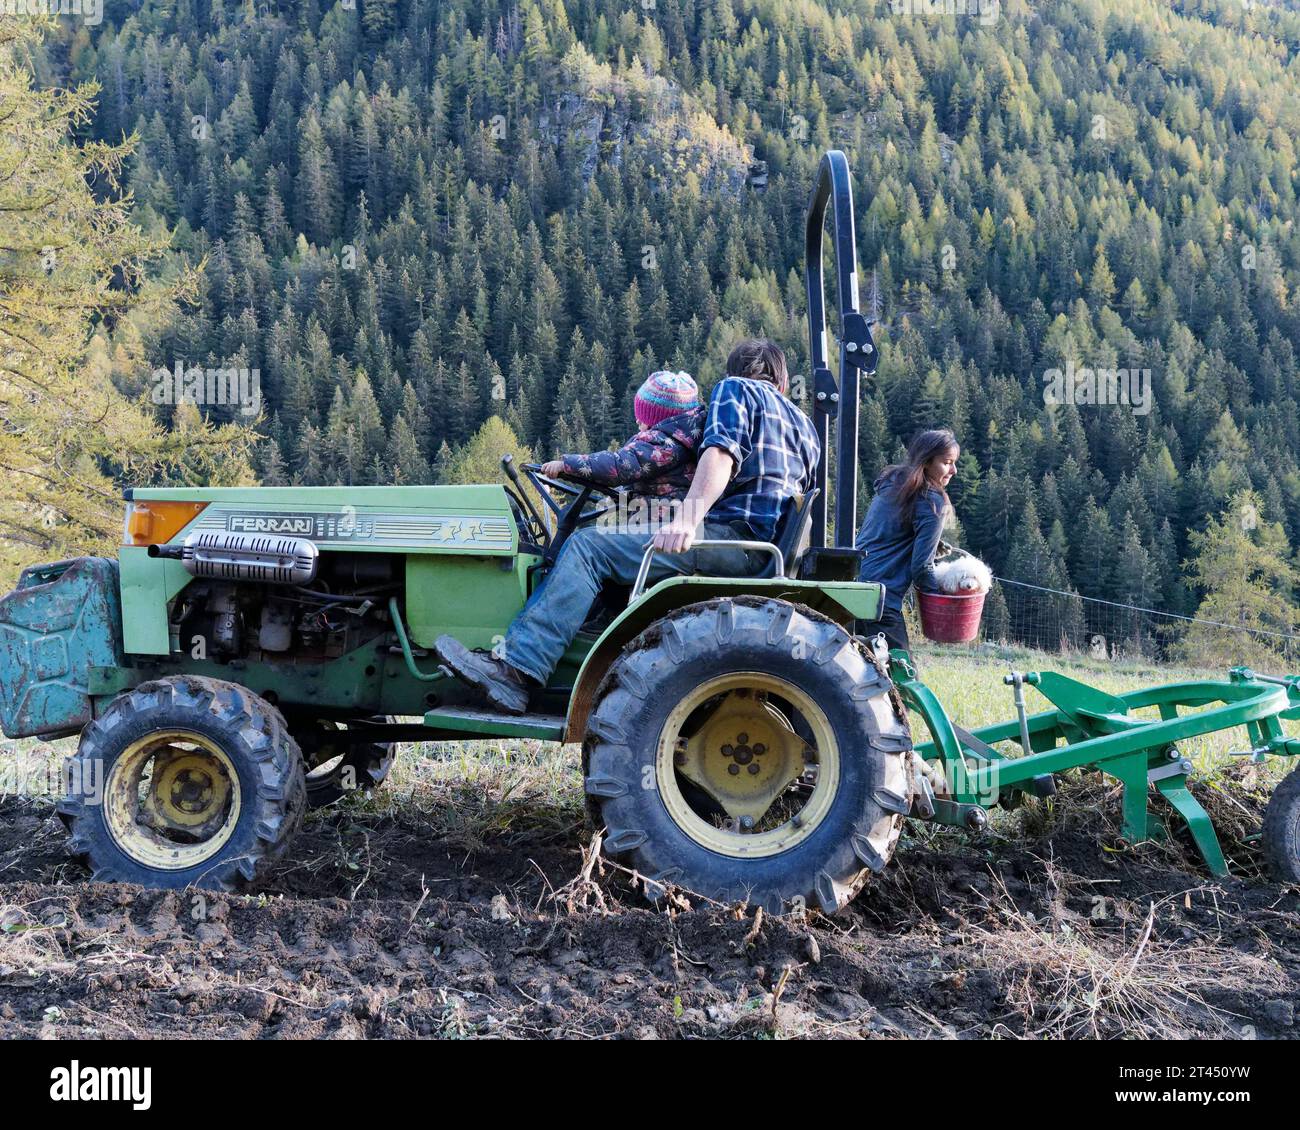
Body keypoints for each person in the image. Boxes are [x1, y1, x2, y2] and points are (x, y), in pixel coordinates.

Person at [434, 339, 820, 714]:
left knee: (588, 548)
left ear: (734, 373)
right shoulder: (806, 426)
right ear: (783, 382)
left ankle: (517, 667)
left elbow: (720, 455)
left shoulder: (734, 391)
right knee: (612, 540)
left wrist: (686, 520)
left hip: (731, 539)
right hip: (767, 552)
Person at [854, 428, 959, 654]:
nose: (954, 470)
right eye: (947, 462)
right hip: (881, 598)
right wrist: (943, 602)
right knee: (903, 674)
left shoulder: (893, 483)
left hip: (853, 591)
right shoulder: (932, 501)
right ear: (926, 461)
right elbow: (922, 567)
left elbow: (887, 534)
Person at [539, 370, 705, 501]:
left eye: (642, 417)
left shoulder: (660, 446)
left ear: (658, 419)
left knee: (580, 542)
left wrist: (566, 464)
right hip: (658, 514)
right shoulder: (684, 440)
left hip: (660, 522)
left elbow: (617, 466)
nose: (637, 421)